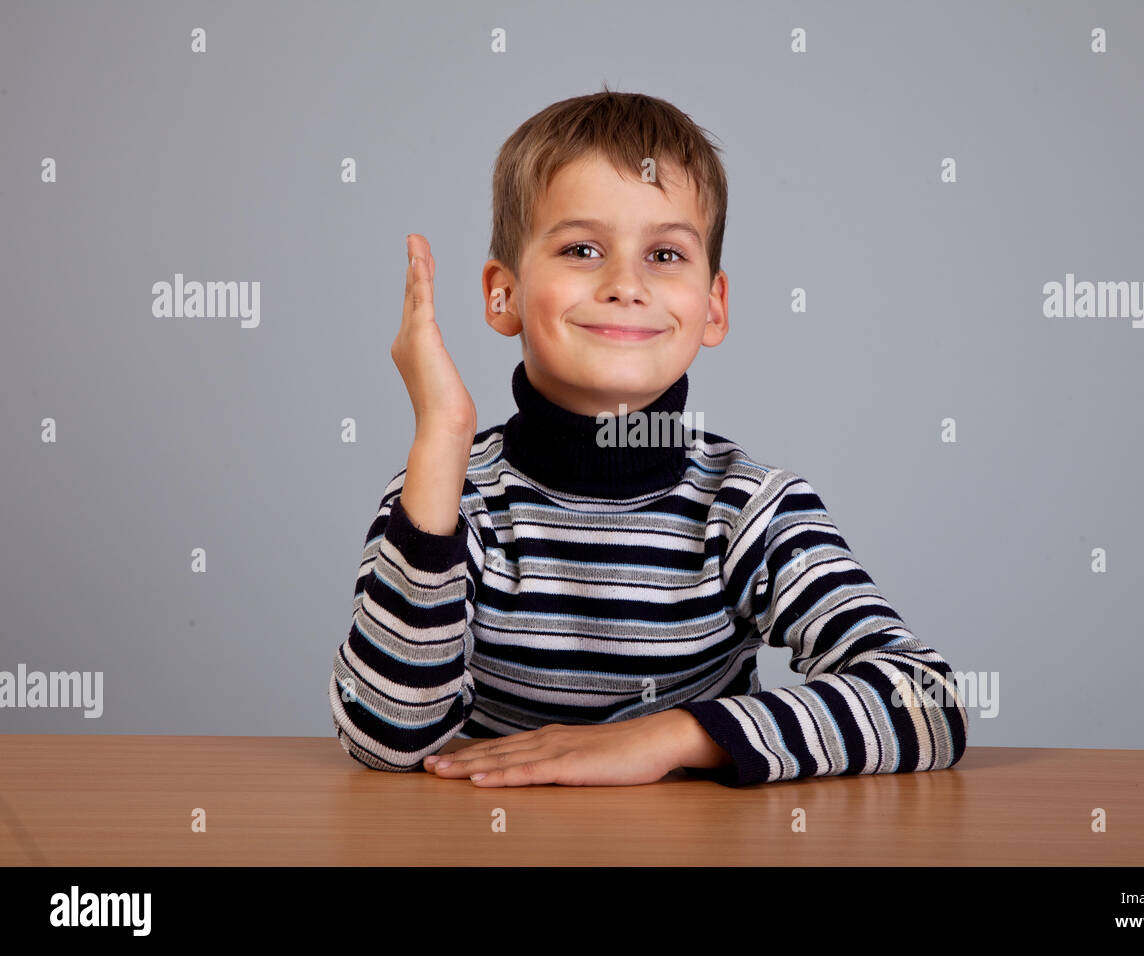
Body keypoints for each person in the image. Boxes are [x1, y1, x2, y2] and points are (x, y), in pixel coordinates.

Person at [328, 87, 969, 787]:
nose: (625, 284)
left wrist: (674, 736)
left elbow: (926, 699)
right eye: (582, 248)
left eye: (664, 255)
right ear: (501, 294)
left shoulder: (751, 509)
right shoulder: (446, 497)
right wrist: (441, 438)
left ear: (713, 307)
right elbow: (385, 739)